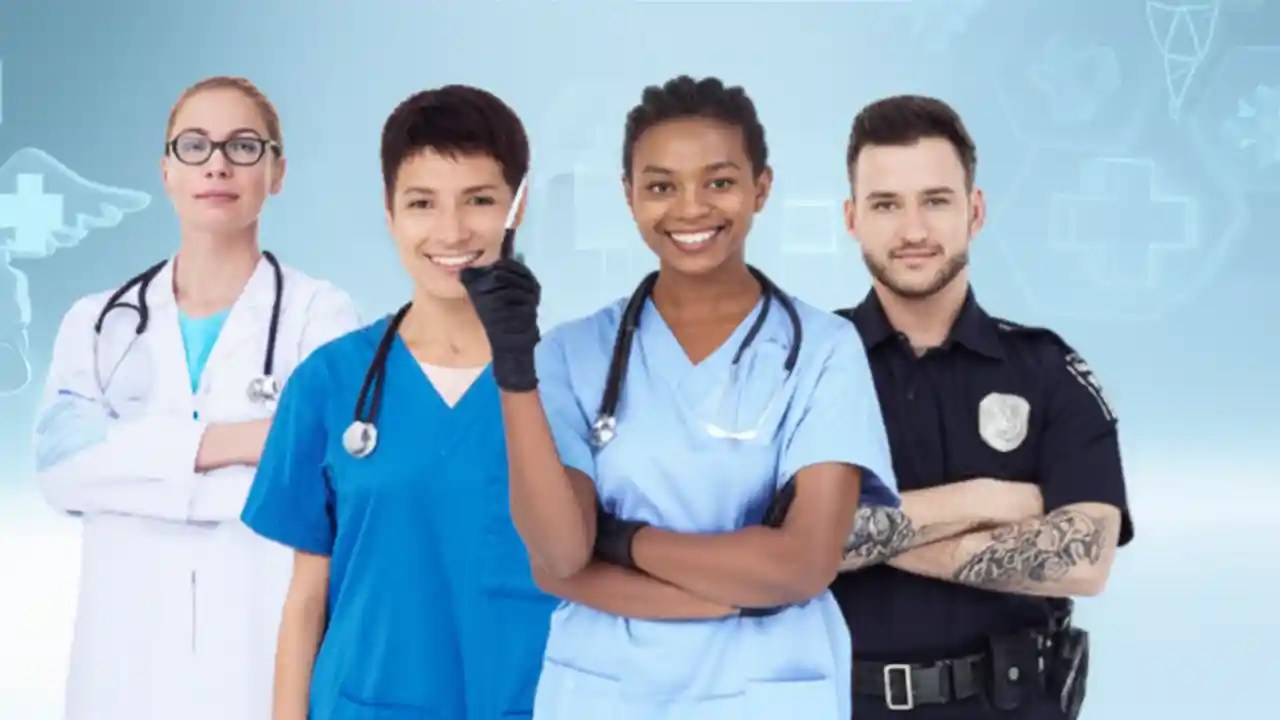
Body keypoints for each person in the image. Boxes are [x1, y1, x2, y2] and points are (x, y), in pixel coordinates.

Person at [460, 75, 900, 720]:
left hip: (769, 693)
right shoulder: (569, 355)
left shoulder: (825, 350)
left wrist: (621, 541)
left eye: (719, 181)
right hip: (605, 692)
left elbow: (802, 566)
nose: (690, 209)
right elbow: (557, 558)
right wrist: (515, 371)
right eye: (661, 185)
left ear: (762, 189)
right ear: (630, 197)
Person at [31, 76, 360, 720]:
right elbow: (60, 470)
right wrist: (238, 443)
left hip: (258, 651)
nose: (217, 163)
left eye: (243, 146)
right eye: (194, 145)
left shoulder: (321, 314)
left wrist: (130, 470)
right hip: (124, 663)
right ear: (166, 170)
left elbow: (321, 474)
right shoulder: (99, 322)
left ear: (277, 171)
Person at [239, 84, 559, 720]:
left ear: (516, 210)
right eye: (422, 202)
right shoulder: (330, 384)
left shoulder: (566, 386)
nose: (451, 230)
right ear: (388, 213)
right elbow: (307, 597)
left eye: (480, 200)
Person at [828, 94, 1135, 719]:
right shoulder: (803, 367)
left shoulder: (1050, 371)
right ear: (852, 217)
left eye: (936, 200)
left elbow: (1085, 561)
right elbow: (771, 545)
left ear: (975, 210)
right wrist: (981, 502)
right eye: (886, 204)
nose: (913, 230)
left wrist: (857, 538)